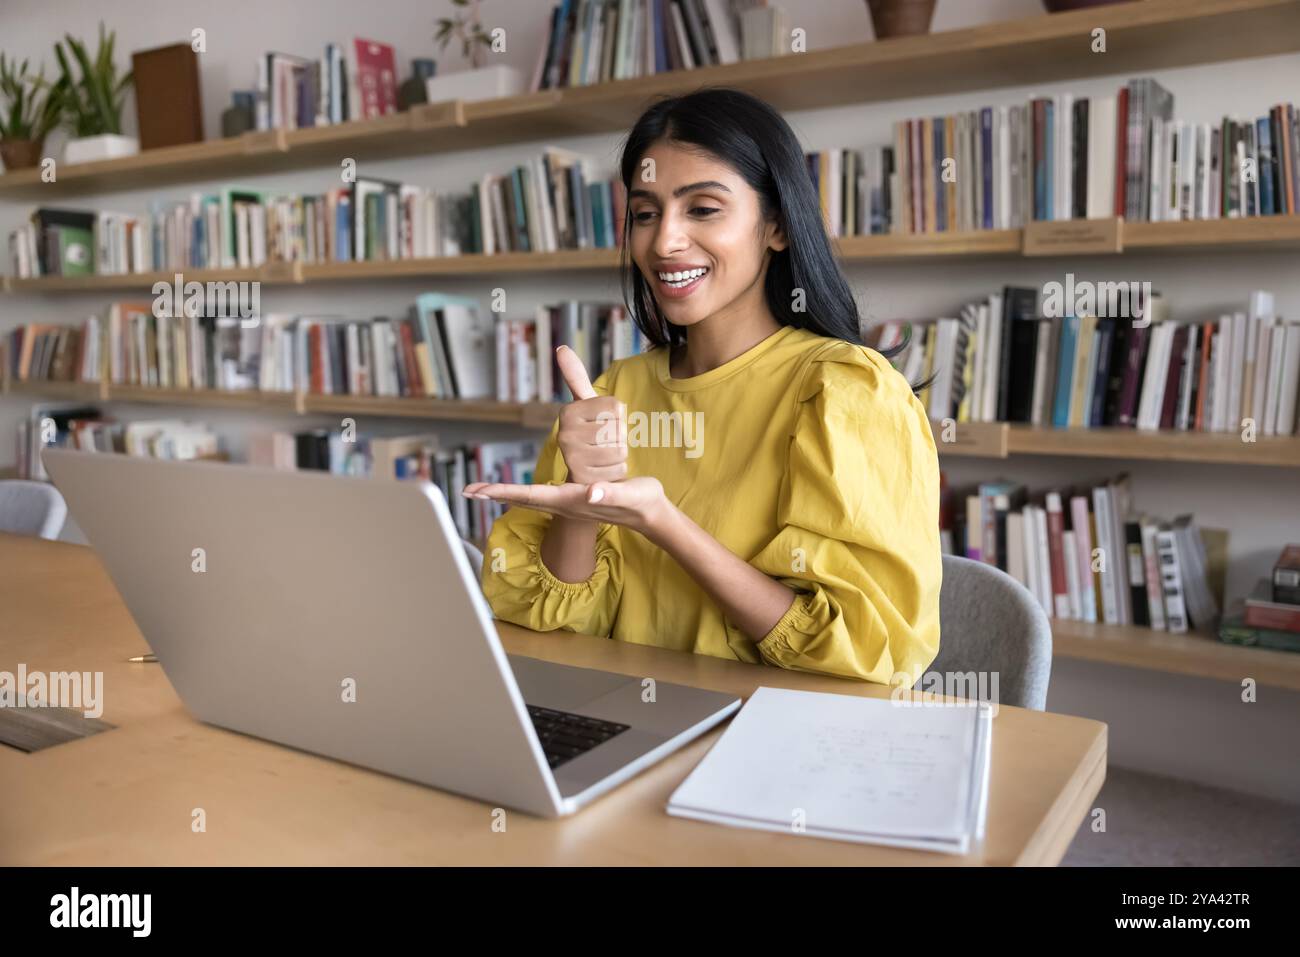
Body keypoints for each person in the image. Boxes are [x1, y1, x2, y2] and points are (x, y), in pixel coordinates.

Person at [463, 88, 941, 685]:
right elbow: (555, 631)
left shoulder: (844, 391)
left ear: (777, 227)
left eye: (703, 209)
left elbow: (863, 654)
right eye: (645, 213)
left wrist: (664, 523)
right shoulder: (614, 391)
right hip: (624, 725)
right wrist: (583, 513)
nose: (664, 242)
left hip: (771, 739)